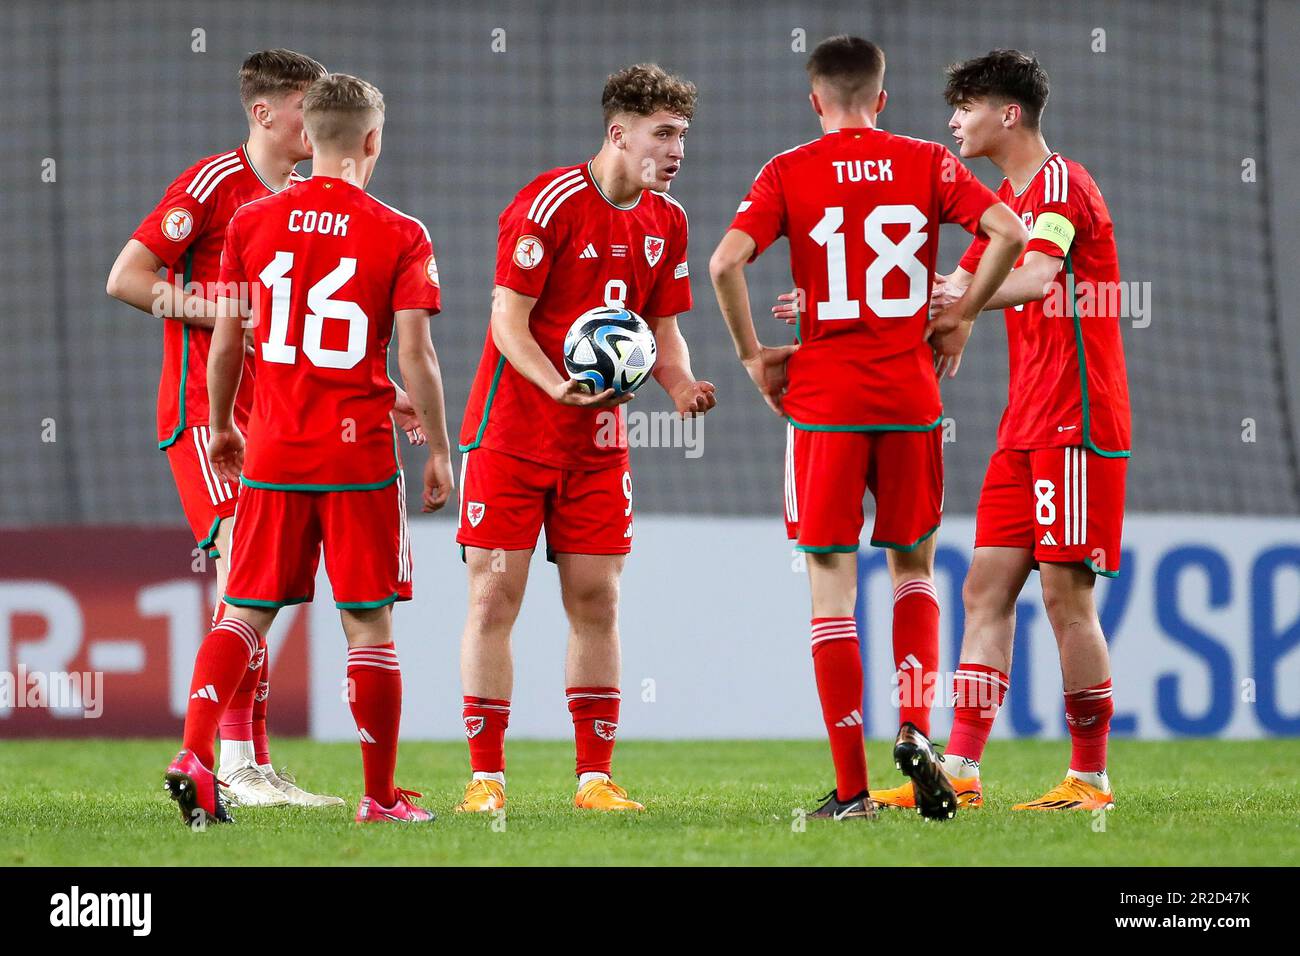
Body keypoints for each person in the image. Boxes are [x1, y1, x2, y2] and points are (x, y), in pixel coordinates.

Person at [710, 35, 1025, 820]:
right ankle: (916, 729)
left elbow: (723, 263)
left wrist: (753, 355)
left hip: (825, 404)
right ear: (880, 99)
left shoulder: (788, 171)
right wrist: (960, 315)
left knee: (830, 590)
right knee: (913, 571)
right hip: (911, 399)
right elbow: (1008, 235)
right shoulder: (924, 161)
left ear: (816, 100)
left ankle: (851, 789)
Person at [162, 73, 454, 826]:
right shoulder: (401, 232)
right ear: (371, 141)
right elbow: (417, 358)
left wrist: (224, 423)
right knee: (367, 622)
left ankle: (195, 756)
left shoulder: (253, 223)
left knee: (245, 612)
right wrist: (440, 448)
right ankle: (380, 798)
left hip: (275, 449)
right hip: (356, 459)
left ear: (308, 138)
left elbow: (228, 338)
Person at [454, 64, 716, 814]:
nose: (676, 151)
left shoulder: (668, 221)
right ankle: (486, 781)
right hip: (509, 435)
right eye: (663, 134)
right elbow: (507, 321)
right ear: (618, 132)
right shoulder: (549, 204)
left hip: (598, 445)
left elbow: (662, 330)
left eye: (682, 136)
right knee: (494, 598)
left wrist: (681, 386)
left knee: (597, 601)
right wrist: (552, 385)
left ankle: (594, 779)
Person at [910, 49, 1130, 812]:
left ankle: (1090, 778)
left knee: (1067, 597)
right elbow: (952, 286)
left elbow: (1037, 276)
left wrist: (961, 309)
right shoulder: (1004, 202)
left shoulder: (1061, 186)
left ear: (1008, 114)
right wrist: (838, 311)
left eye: (964, 107)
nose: (952, 122)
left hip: (1076, 419)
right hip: (1024, 422)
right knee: (984, 589)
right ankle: (961, 772)